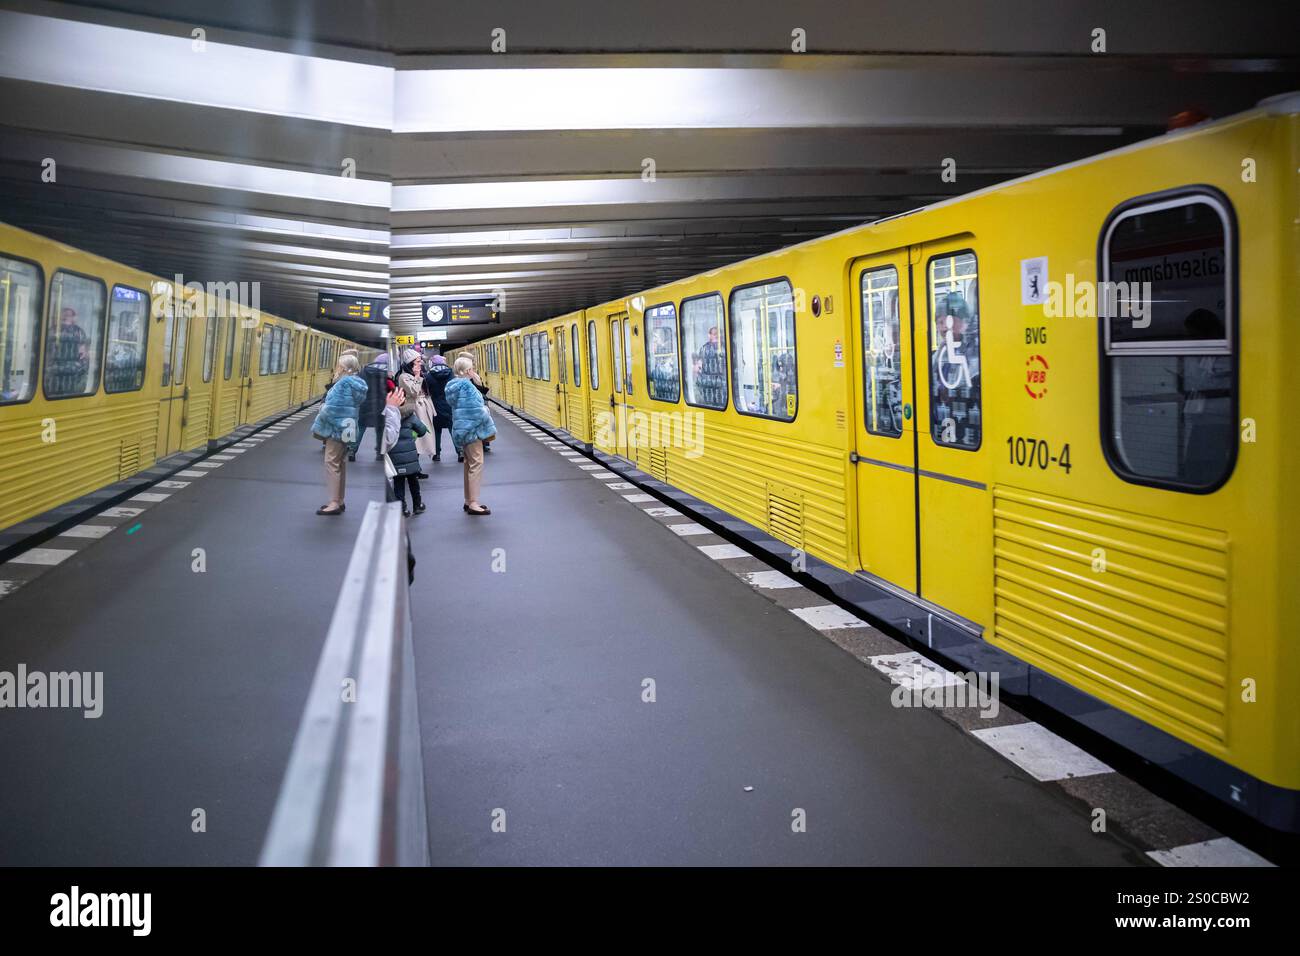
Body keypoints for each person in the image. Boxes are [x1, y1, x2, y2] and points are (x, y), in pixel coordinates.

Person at [311, 354, 367, 516]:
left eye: (339, 364)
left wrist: (322, 411)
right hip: (349, 427)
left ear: (343, 367)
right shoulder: (357, 384)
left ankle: (334, 502)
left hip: (337, 428)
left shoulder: (343, 384)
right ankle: (339, 500)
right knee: (340, 464)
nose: (337, 367)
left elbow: (334, 409)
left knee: (331, 463)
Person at [445, 355, 497, 515]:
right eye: (472, 368)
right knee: (476, 464)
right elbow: (475, 410)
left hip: (461, 429)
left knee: (469, 464)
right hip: (471, 430)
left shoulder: (453, 385)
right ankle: (473, 502)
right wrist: (486, 412)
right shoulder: (467, 387)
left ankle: (468, 500)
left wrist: (478, 383)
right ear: (468, 370)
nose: (473, 370)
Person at [381, 380, 429, 516]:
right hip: (411, 459)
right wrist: (415, 434)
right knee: (413, 482)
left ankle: (402, 508)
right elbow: (422, 430)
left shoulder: (387, 415)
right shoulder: (410, 416)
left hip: (395, 458)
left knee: (399, 483)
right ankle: (418, 504)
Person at [351, 353, 391, 461]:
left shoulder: (364, 371)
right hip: (381, 404)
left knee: (360, 427)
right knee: (380, 429)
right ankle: (380, 452)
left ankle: (352, 450)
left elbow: (357, 386)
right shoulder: (387, 373)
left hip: (365, 403)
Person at [48, 306, 90, 394]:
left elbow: (83, 354)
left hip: (67, 374)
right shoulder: (52, 330)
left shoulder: (78, 332)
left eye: (69, 315)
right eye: (65, 315)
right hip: (57, 373)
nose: (66, 317)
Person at [421, 354, 455, 461]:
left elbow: (425, 392)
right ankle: (460, 452)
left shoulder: (428, 376)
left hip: (434, 406)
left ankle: (436, 454)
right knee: (452, 429)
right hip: (449, 405)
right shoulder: (451, 374)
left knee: (436, 431)